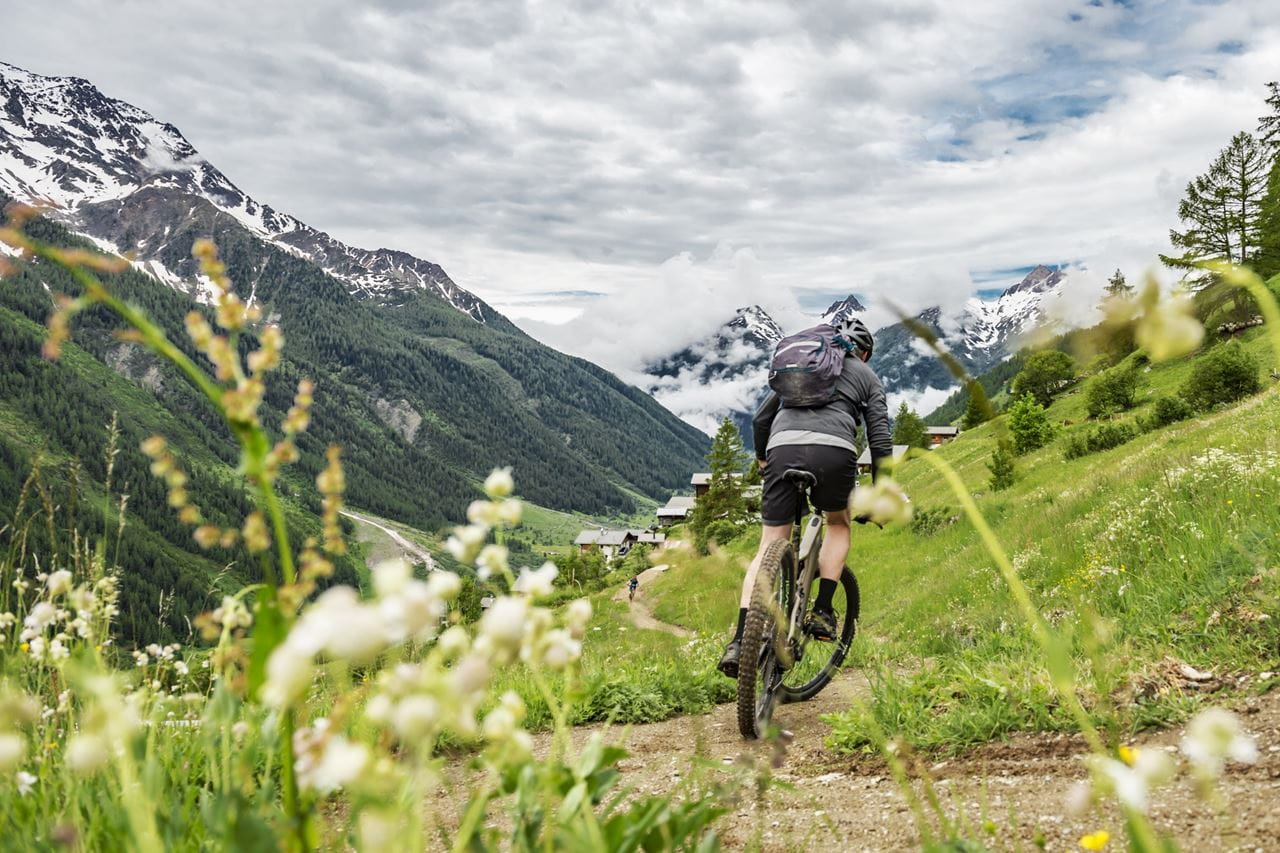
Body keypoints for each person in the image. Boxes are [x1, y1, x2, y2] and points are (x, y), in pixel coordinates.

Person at [718, 316, 892, 678]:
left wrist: (764, 459)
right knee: (838, 524)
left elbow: (760, 420)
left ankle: (738, 641)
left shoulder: (800, 369)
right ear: (862, 351)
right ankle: (823, 612)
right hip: (834, 453)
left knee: (769, 544)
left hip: (782, 449)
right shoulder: (866, 375)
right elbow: (879, 440)